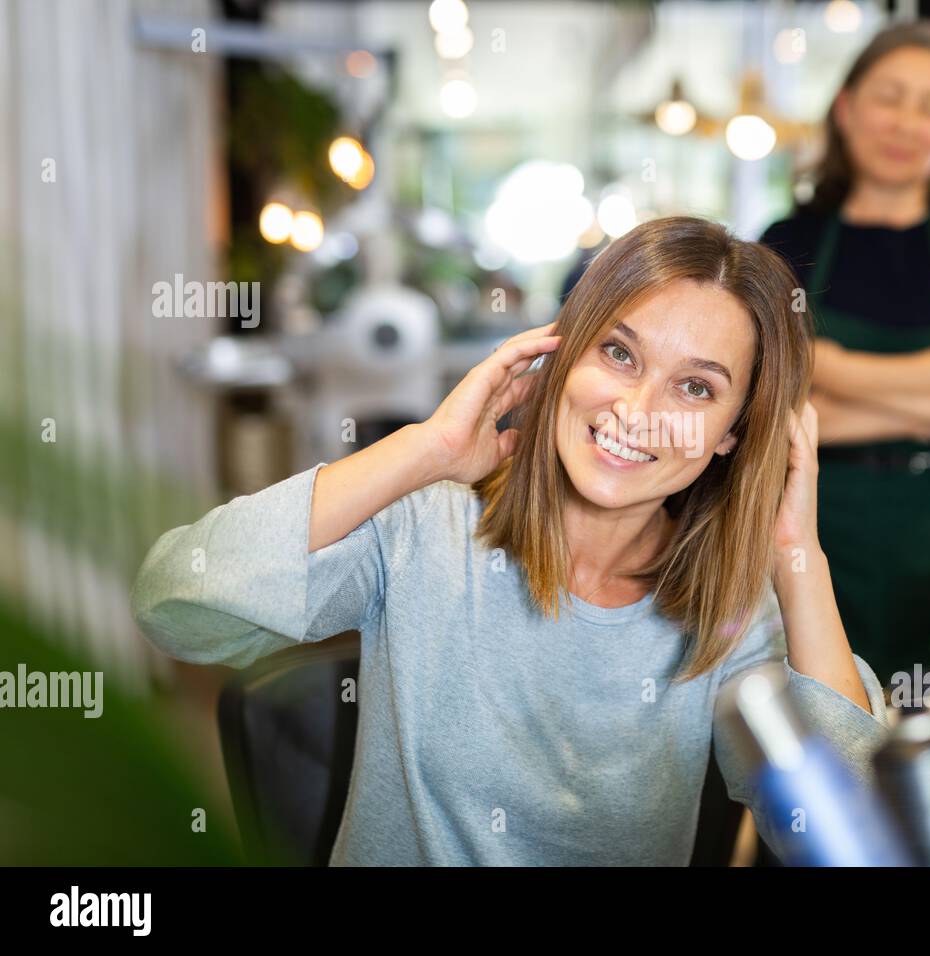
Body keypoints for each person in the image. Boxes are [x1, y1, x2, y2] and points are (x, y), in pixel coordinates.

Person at [131, 216, 891, 866]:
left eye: (696, 387)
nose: (638, 408)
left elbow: (847, 840)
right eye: (619, 354)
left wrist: (798, 554)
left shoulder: (732, 613)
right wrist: (424, 449)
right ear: (560, 357)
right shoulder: (424, 531)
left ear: (735, 434)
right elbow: (175, 604)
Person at [760, 19, 930, 684]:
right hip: (814, 524)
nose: (905, 122)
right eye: (890, 96)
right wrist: (928, 405)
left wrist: (824, 369)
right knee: (822, 717)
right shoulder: (789, 236)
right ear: (847, 107)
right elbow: (768, 392)